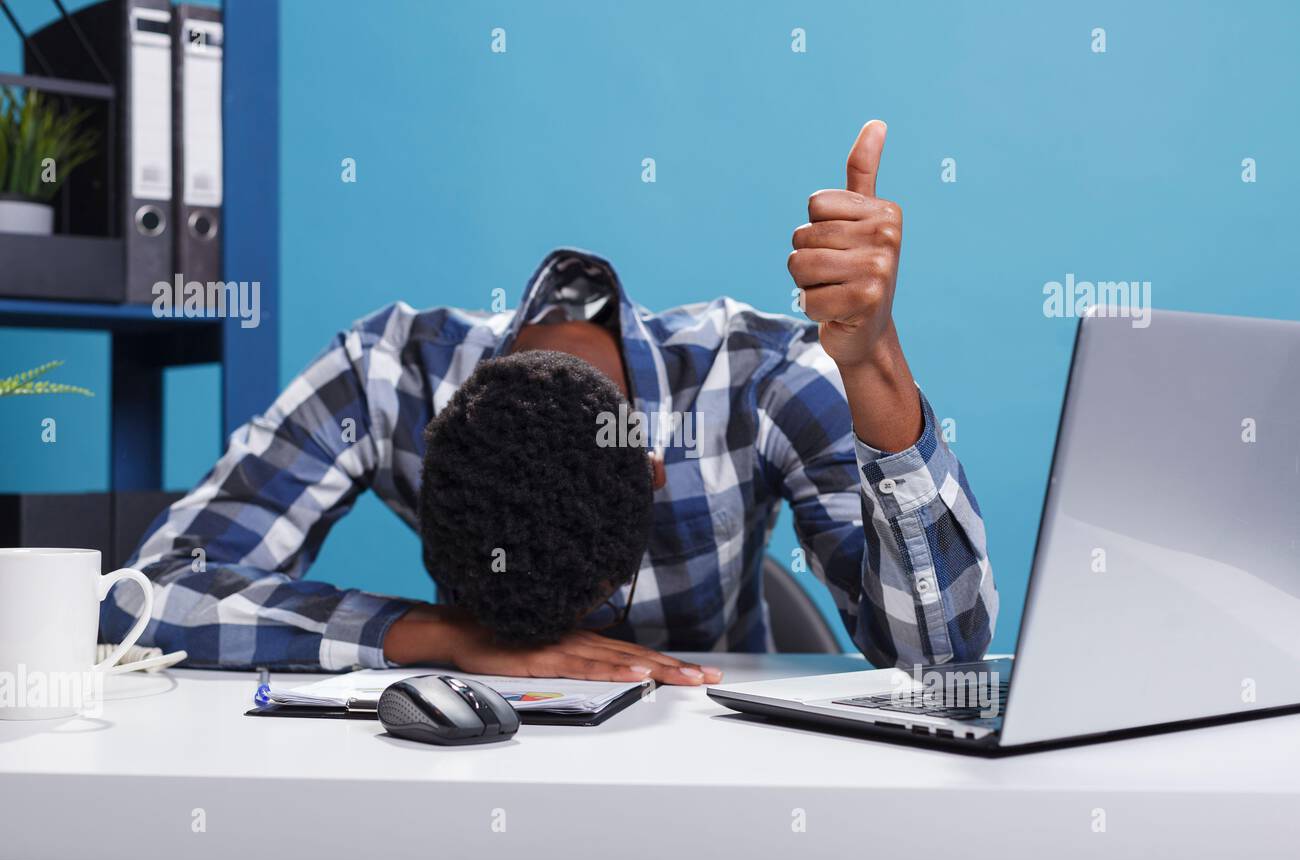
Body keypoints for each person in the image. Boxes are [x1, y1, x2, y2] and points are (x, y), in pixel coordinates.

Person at [102, 121, 997, 686]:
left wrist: (874, 362)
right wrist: (430, 635)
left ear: (653, 471)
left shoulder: (758, 373)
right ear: (437, 439)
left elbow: (942, 661)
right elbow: (140, 604)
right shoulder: (389, 376)